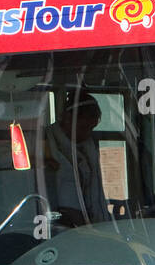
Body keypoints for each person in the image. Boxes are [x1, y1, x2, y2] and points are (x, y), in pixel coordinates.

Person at [45, 92, 110, 227]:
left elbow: (95, 191)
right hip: (53, 224)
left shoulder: (88, 147)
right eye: (83, 128)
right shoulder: (43, 141)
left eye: (91, 129)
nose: (87, 134)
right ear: (68, 118)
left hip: (86, 224)